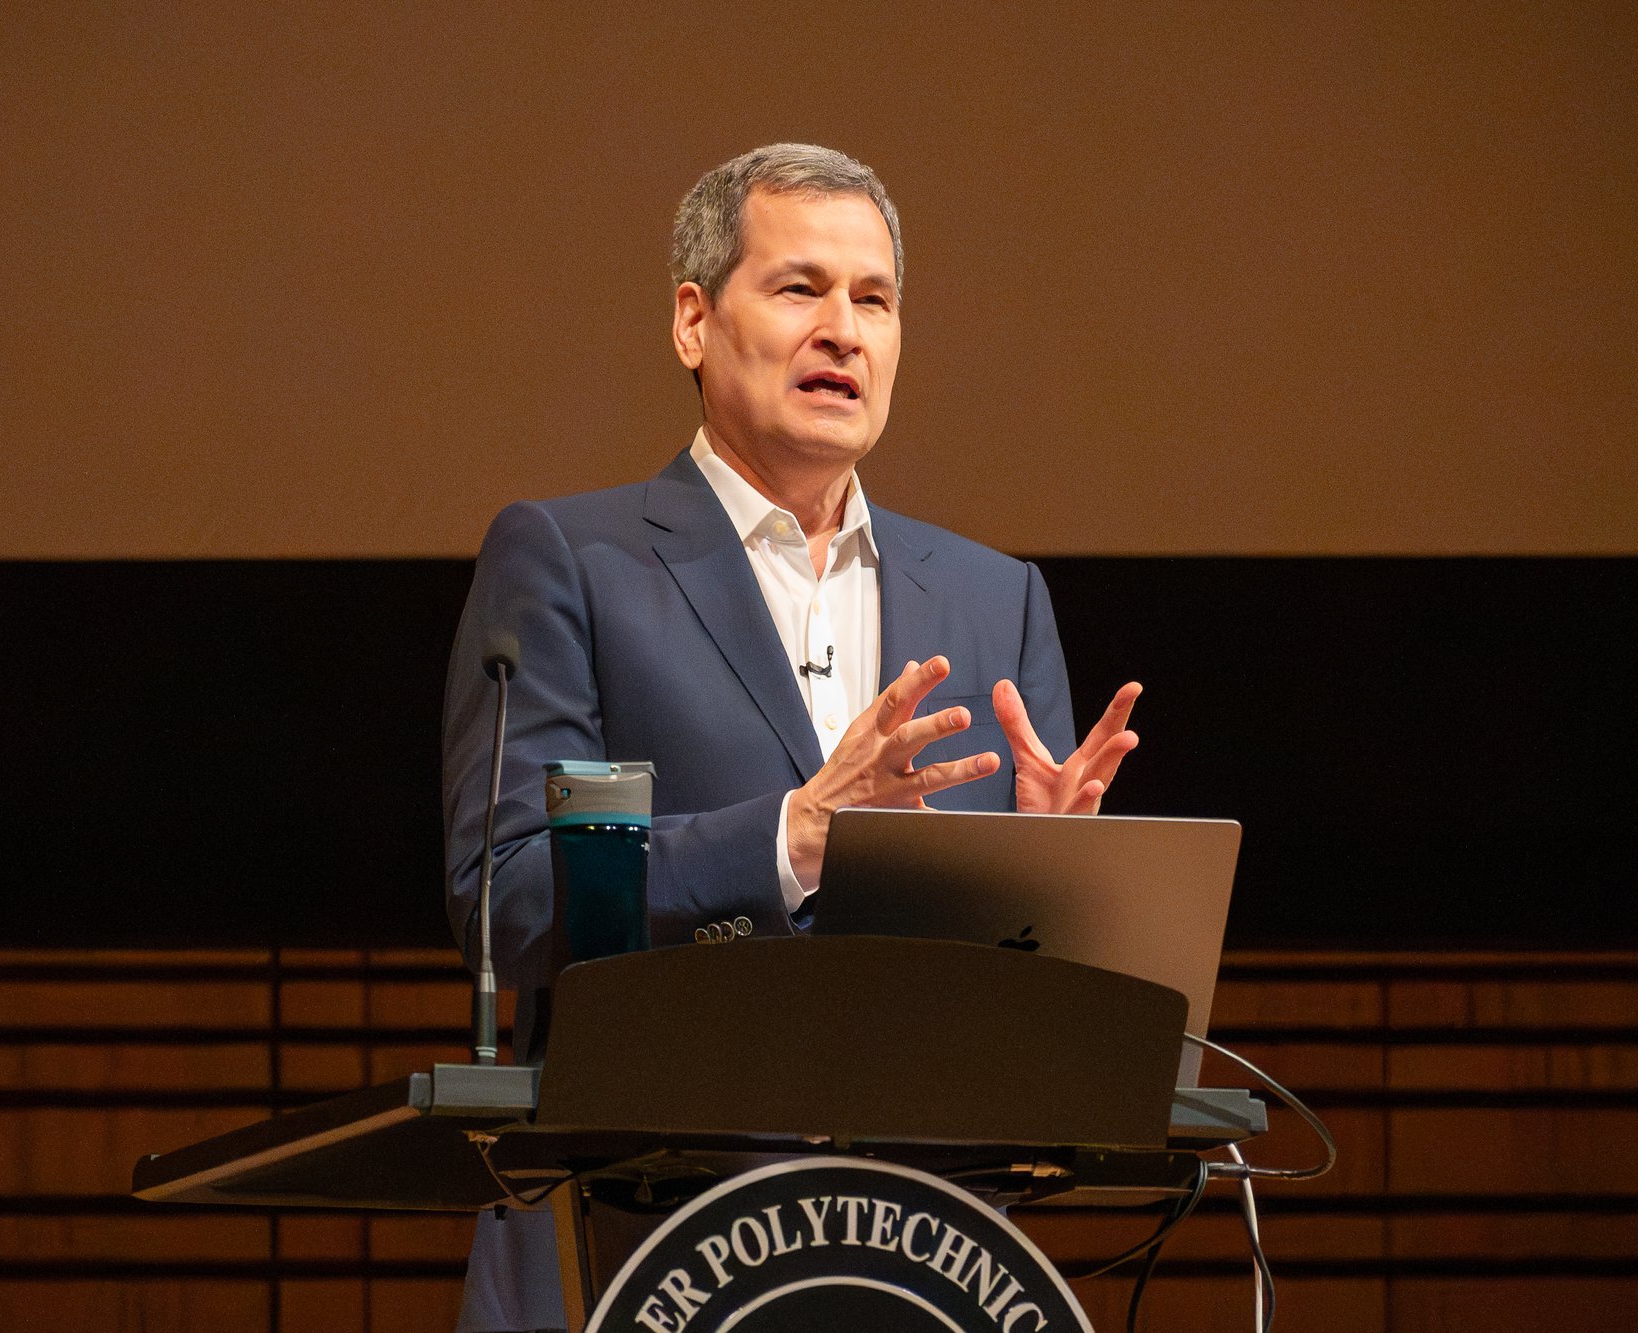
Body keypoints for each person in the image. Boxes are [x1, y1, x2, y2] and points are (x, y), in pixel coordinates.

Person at [441, 143, 1142, 1332]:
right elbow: (504, 901)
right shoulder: (574, 565)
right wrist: (788, 837)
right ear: (691, 322)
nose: (843, 330)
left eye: (873, 299)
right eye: (798, 288)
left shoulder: (994, 597)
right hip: (635, 1238)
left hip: (917, 1256)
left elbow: (1037, 1016)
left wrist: (1055, 892)